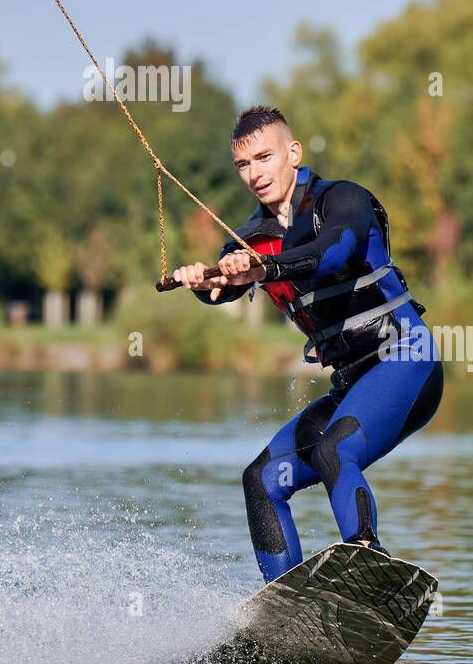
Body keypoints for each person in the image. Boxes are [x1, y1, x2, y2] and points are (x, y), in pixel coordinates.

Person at [172, 106, 443, 584]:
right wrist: (202, 279)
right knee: (261, 480)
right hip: (352, 382)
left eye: (265, 157)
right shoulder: (250, 238)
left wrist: (265, 268)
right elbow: (224, 288)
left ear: (293, 153)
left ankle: (367, 565)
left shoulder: (342, 201)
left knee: (334, 451)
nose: (255, 174)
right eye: (243, 165)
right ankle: (287, 608)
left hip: (405, 360)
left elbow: (331, 251)